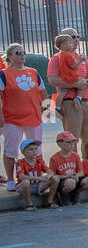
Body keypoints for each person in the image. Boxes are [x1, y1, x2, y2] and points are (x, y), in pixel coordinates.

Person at [1, 44, 48, 190]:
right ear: (10, 57)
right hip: (12, 119)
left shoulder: (33, 72)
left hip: (33, 117)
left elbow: (43, 93)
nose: (22, 55)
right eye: (18, 53)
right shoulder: (4, 74)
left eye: (24, 53)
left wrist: (48, 110)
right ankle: (10, 180)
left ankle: (37, 177)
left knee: (36, 150)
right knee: (11, 150)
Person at [48, 31, 88, 146]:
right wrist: (75, 84)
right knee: (72, 140)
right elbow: (52, 80)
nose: (76, 40)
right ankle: (73, 163)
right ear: (62, 42)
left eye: (77, 37)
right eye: (72, 37)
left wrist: (85, 82)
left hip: (85, 101)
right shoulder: (57, 58)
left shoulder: (81, 58)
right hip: (69, 103)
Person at [14, 138, 57, 210]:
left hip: (38, 185)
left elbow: (51, 172)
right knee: (25, 182)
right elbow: (21, 177)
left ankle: (50, 201)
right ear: (23, 152)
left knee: (55, 178)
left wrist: (47, 176)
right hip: (25, 186)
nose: (34, 151)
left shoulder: (39, 160)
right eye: (31, 149)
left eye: (36, 149)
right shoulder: (20, 162)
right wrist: (39, 178)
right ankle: (29, 204)